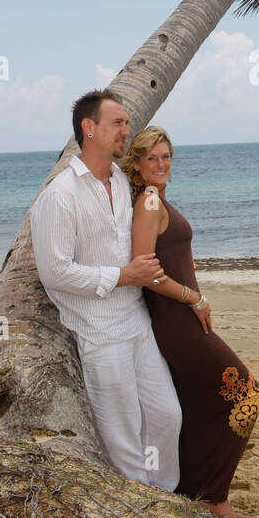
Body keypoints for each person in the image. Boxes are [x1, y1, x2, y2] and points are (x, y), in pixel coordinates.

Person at [30, 89, 182, 490]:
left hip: (138, 321)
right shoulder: (60, 195)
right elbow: (55, 272)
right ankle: (142, 508)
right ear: (89, 128)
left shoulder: (120, 178)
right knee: (123, 433)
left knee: (167, 416)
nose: (126, 131)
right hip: (99, 332)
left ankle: (164, 496)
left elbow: (149, 228)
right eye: (118, 123)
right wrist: (123, 276)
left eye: (126, 124)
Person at [122, 126, 259, 518]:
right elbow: (146, 270)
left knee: (202, 406)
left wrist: (185, 262)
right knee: (248, 394)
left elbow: (165, 254)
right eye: (152, 158)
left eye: (166, 157)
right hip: (177, 323)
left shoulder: (156, 199)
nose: (161, 164)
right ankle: (213, 499)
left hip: (182, 319)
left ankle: (196, 495)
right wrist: (193, 297)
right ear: (137, 164)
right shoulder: (149, 201)